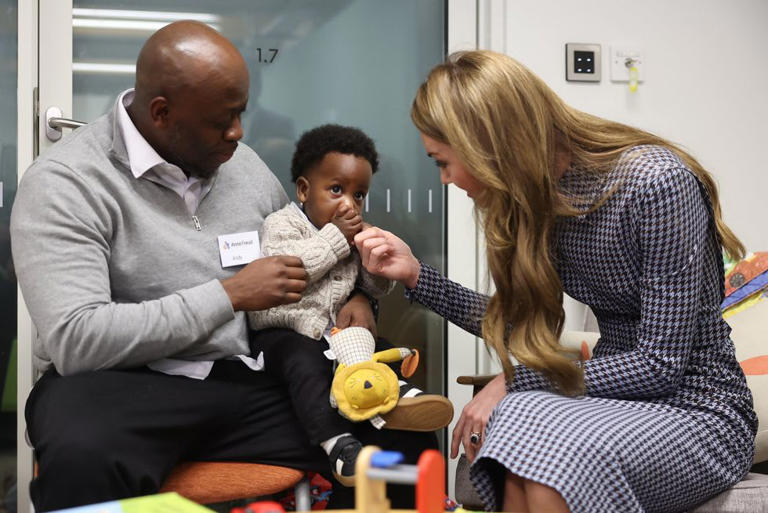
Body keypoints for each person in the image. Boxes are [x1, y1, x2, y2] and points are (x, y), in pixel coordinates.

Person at [10, 21, 436, 512]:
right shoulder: (66, 183)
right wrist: (230, 294)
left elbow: (304, 259)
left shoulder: (242, 166)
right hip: (118, 384)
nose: (237, 132)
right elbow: (77, 340)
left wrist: (356, 297)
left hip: (245, 373)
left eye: (240, 114)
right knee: (81, 453)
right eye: (222, 120)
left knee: (391, 427)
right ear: (162, 114)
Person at [355, 50, 757, 513]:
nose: (445, 179)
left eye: (444, 162)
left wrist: (518, 380)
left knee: (541, 441)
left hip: (700, 410)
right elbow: (519, 327)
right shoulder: (539, 202)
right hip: (616, 402)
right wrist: (416, 275)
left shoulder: (655, 183)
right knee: (517, 422)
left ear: (487, 144)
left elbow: (659, 364)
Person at [248, 124, 453, 485]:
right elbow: (292, 270)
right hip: (284, 333)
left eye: (358, 195)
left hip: (336, 337)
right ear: (303, 190)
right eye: (337, 190)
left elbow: (370, 288)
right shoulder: (282, 224)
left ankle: (400, 396)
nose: (349, 204)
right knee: (305, 364)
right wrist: (337, 239)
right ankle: (337, 444)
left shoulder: (350, 232)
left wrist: (375, 263)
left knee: (380, 348)